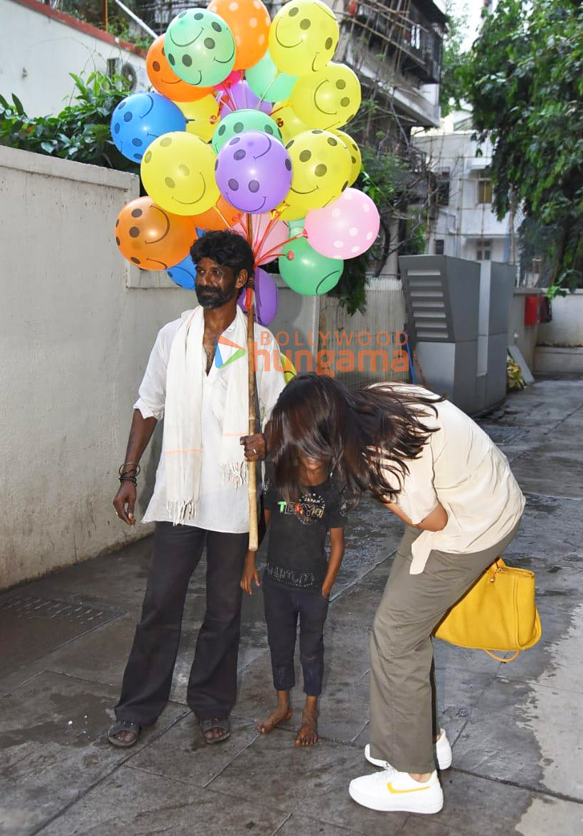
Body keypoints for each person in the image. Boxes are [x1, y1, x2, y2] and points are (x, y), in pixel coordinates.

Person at [266, 373, 525, 815]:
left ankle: (415, 778)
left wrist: (375, 486)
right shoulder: (372, 404)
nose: (301, 466)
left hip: (470, 524)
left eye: (304, 454)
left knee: (396, 633)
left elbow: (434, 521)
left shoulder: (382, 458)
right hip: (481, 494)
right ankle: (421, 741)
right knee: (398, 630)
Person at [108, 230, 284, 749]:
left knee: (224, 612)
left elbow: (281, 416)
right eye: (201, 272)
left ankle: (210, 705)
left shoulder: (260, 343)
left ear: (240, 281)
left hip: (232, 501)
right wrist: (128, 473)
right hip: (180, 497)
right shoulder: (173, 337)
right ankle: (137, 708)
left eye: (216, 274)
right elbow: (148, 405)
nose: (206, 283)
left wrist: (264, 438)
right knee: (160, 602)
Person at [240, 454, 346, 747]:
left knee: (311, 650)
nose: (311, 455)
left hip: (312, 589)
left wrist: (325, 588)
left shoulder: (332, 491)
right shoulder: (282, 479)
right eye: (305, 448)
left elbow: (338, 544)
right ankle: (283, 706)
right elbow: (261, 522)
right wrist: (250, 559)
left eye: (319, 448)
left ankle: (309, 711)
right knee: (279, 646)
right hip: (277, 586)